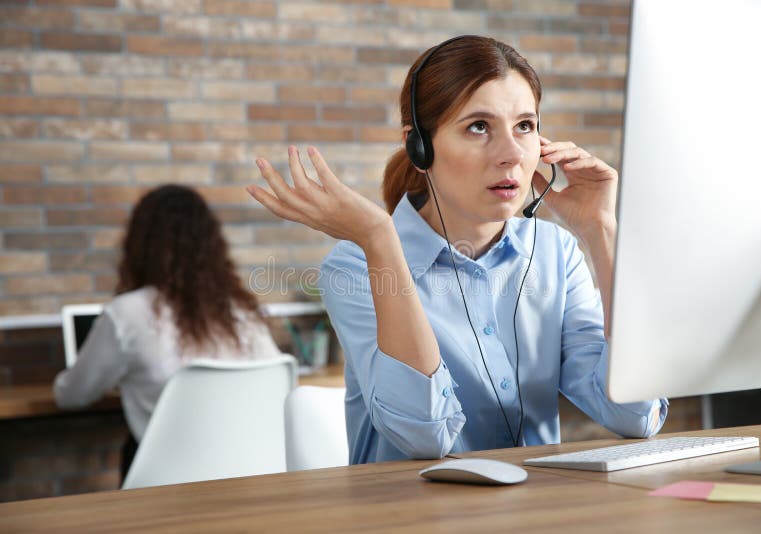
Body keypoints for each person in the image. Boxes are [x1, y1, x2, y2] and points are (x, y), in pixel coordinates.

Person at [246, 35, 668, 464]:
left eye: (525, 125)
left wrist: (602, 230)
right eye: (479, 127)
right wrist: (378, 238)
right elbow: (423, 436)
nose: (511, 155)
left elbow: (634, 414)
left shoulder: (555, 252)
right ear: (420, 148)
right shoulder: (356, 265)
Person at [54, 184, 281, 479]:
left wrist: (123, 377)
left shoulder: (127, 313)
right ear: (211, 245)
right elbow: (278, 381)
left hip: (165, 484)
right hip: (245, 474)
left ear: (140, 244)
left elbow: (72, 394)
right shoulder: (240, 312)